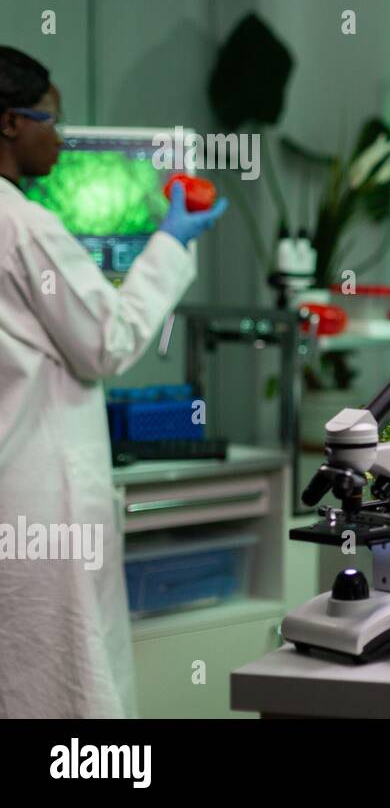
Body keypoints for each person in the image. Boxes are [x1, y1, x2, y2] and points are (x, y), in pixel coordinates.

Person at [0, 47, 227, 717]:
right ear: (9, 124)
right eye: (49, 120)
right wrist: (173, 241)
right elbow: (109, 341)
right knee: (59, 680)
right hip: (39, 496)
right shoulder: (25, 226)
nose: (59, 139)